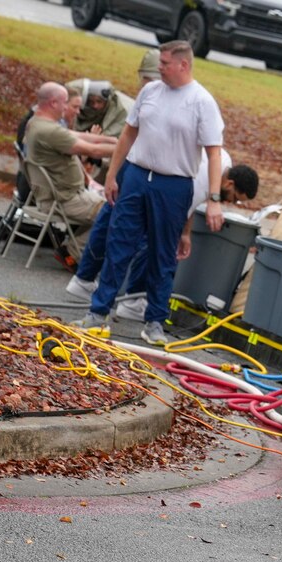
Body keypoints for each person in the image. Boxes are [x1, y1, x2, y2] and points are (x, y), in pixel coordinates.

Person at [75, 40, 225, 346]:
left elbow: (214, 154)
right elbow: (129, 134)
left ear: (183, 65)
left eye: (165, 64)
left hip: (174, 185)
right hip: (137, 176)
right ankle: (97, 312)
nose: (159, 68)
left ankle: (154, 321)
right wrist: (114, 175)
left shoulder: (201, 102)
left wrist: (213, 200)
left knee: (162, 254)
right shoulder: (150, 92)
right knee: (119, 244)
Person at [65, 155, 259, 321]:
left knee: (112, 218)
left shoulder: (223, 162)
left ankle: (84, 278)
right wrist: (181, 234)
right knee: (150, 241)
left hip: (140, 168)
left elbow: (190, 206)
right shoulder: (204, 181)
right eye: (234, 197)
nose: (230, 202)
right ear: (229, 183)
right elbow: (184, 208)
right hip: (155, 180)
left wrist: (186, 233)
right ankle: (131, 301)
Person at [20, 82, 117, 253]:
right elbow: (93, 151)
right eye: (65, 102)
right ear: (53, 103)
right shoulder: (50, 132)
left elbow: (77, 136)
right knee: (117, 213)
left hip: (57, 196)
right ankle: (72, 251)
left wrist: (113, 141)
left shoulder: (37, 123)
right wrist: (125, 150)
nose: (67, 108)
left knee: (109, 207)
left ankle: (77, 249)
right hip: (66, 200)